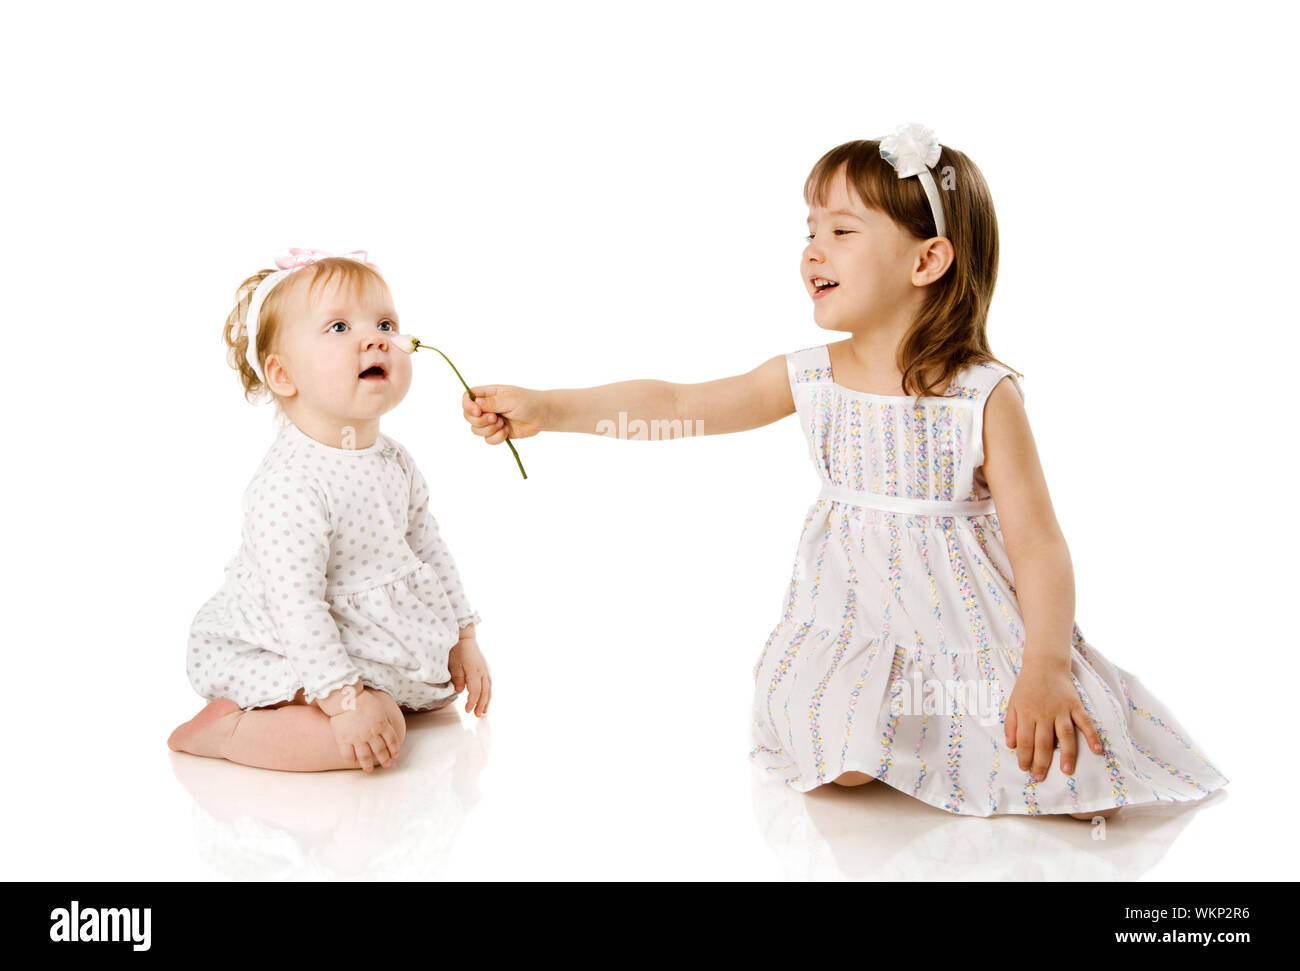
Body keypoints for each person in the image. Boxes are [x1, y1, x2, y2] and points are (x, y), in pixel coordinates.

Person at [458, 124, 1228, 818]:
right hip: (856, 623)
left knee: (1064, 762)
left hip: (967, 632)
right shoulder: (813, 376)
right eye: (810, 230)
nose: (811, 251)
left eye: (841, 230)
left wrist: (1047, 665)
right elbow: (682, 403)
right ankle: (896, 728)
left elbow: (1039, 545)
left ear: (927, 259)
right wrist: (547, 408)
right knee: (841, 755)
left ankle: (974, 718)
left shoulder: (980, 396)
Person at [168, 250, 491, 773]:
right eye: (340, 326)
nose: (375, 338)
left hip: (355, 637)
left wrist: (464, 638)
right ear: (282, 374)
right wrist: (345, 700)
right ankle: (229, 731)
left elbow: (427, 546)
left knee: (425, 701)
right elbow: (295, 607)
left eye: (385, 323)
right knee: (375, 728)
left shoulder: (393, 459)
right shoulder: (290, 483)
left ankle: (361, 692)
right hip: (281, 646)